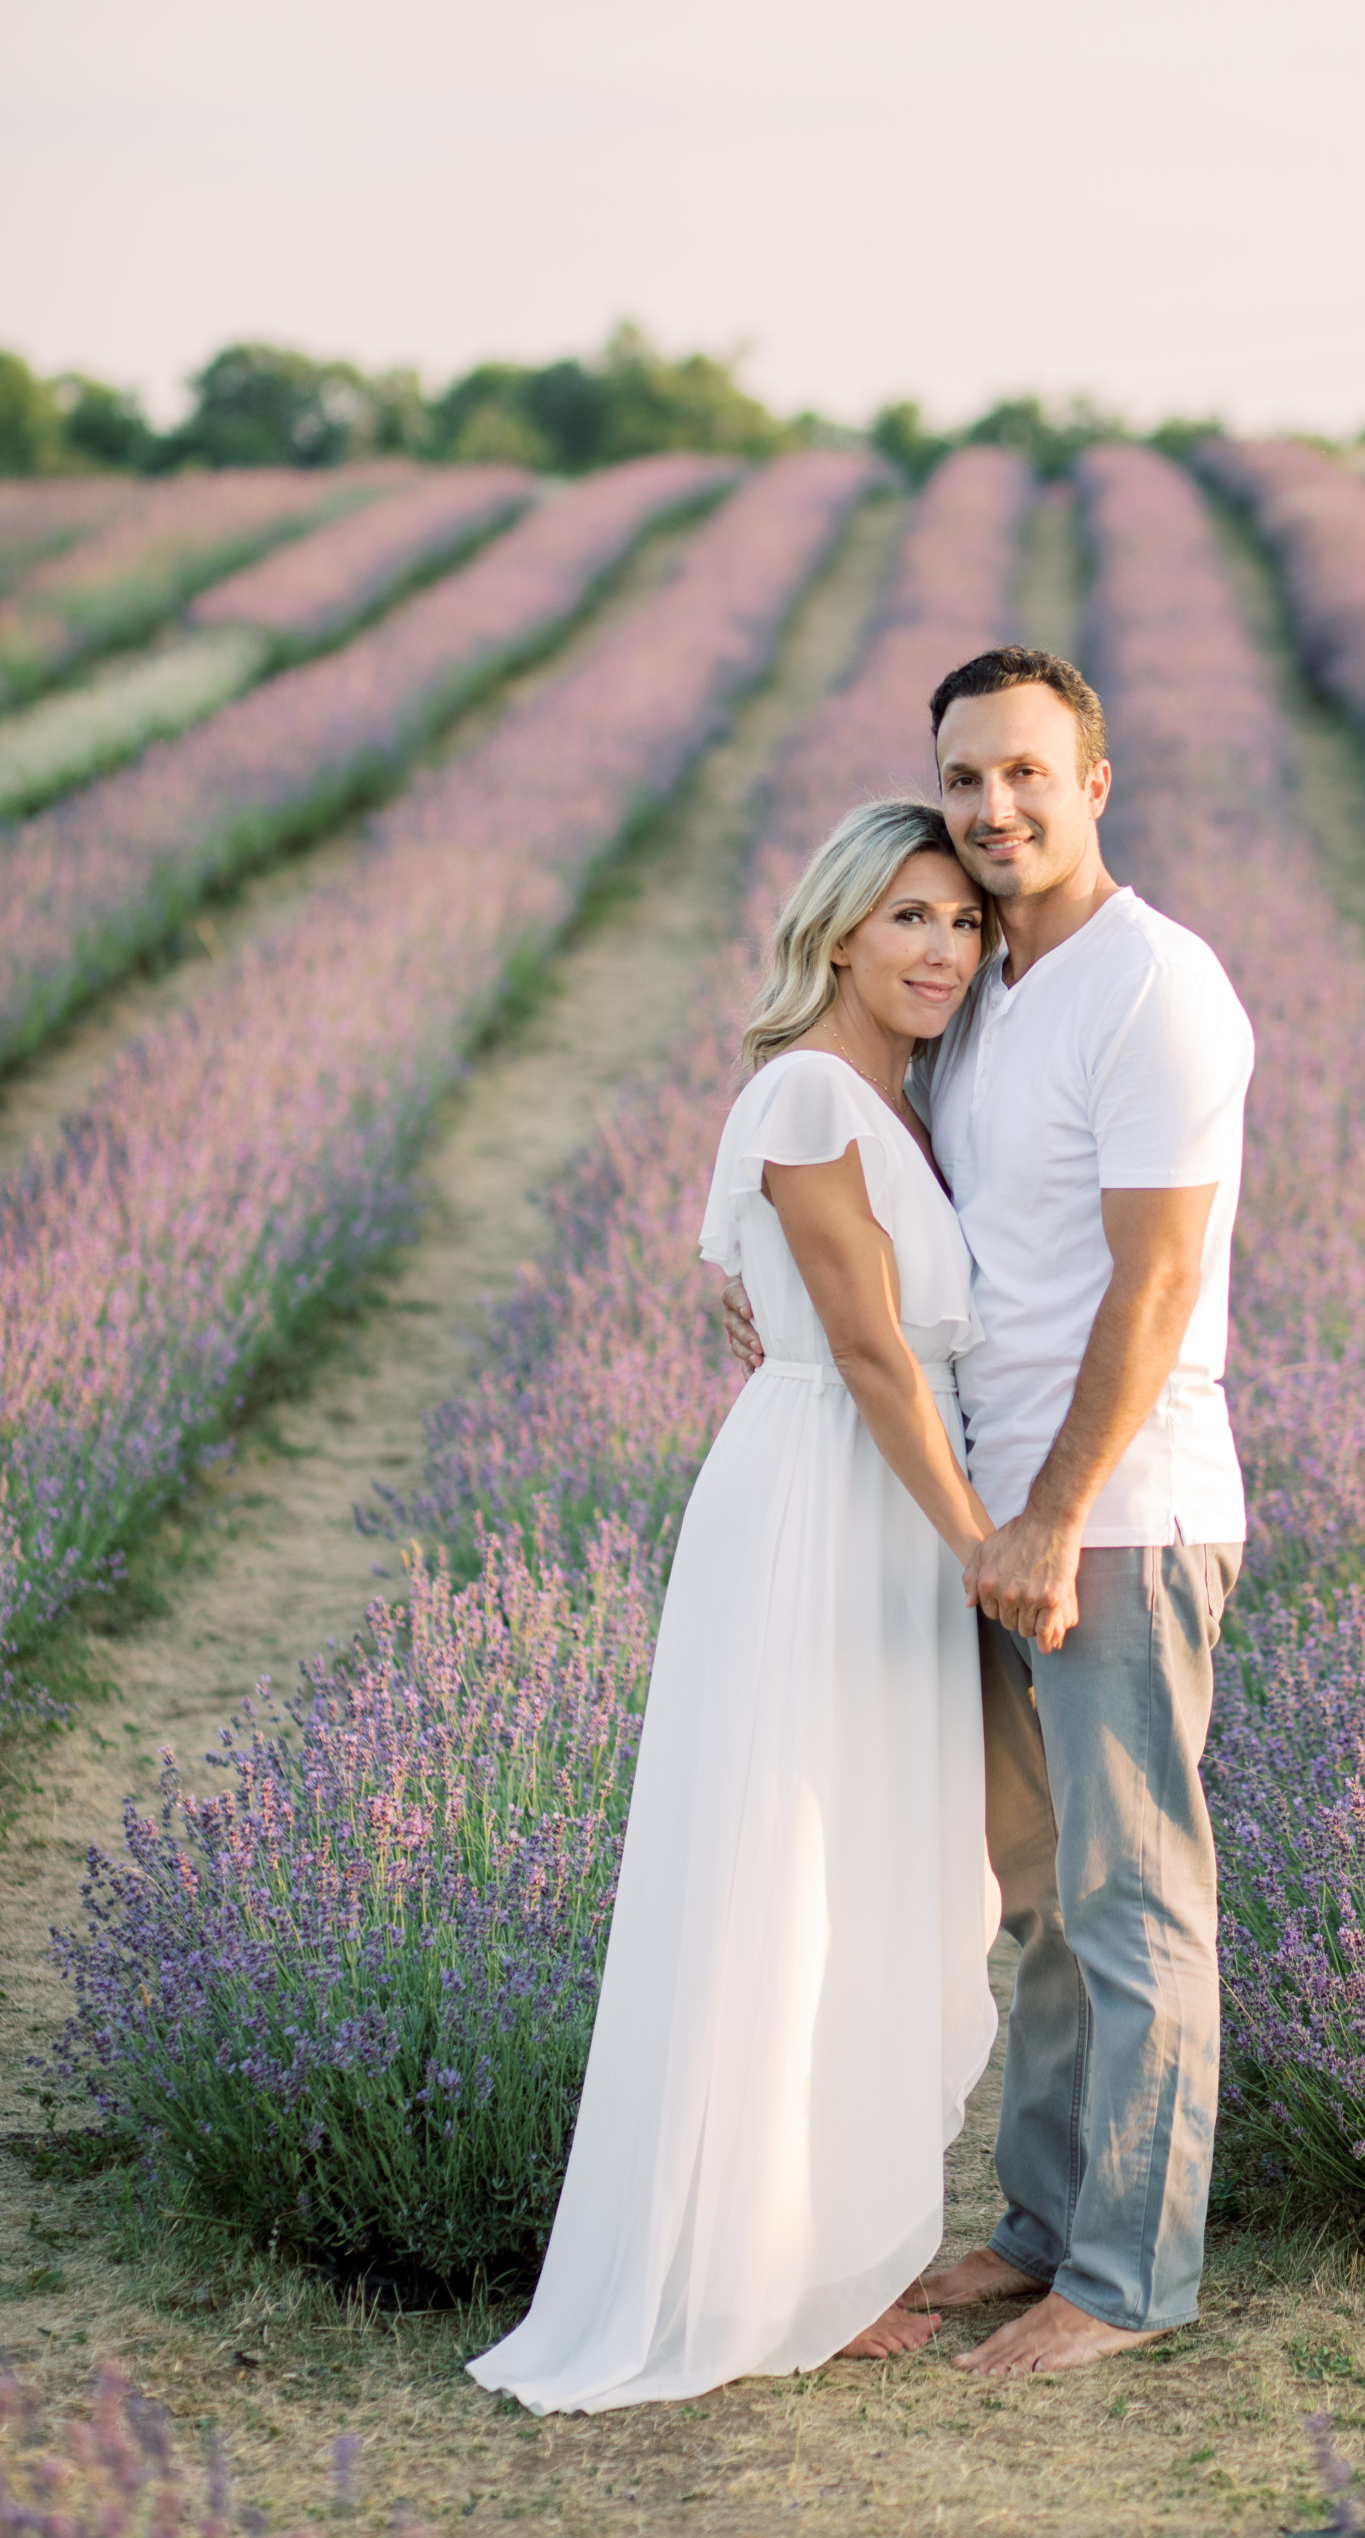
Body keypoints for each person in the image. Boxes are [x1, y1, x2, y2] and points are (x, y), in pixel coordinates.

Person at [732, 647, 1256, 2378]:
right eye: (966, 779)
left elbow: (1157, 1283)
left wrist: (1048, 1515)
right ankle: (1038, 2230)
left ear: (1094, 783)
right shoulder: (992, 991)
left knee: (1130, 1902)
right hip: (993, 1518)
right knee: (1034, 1905)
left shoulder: (1153, 989)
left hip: (1112, 1513)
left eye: (1026, 772)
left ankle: (1124, 2279)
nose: (994, 807)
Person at [469, 800, 1001, 2411]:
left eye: (966, 924)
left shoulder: (909, 1104)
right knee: (798, 1858)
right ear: (838, 928)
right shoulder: (804, 1091)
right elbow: (863, 1349)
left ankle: (835, 2250)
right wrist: (986, 1541)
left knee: (895, 1859)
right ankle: (768, 2273)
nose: (944, 949)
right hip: (836, 1500)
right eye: (912, 916)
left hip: (880, 1495)